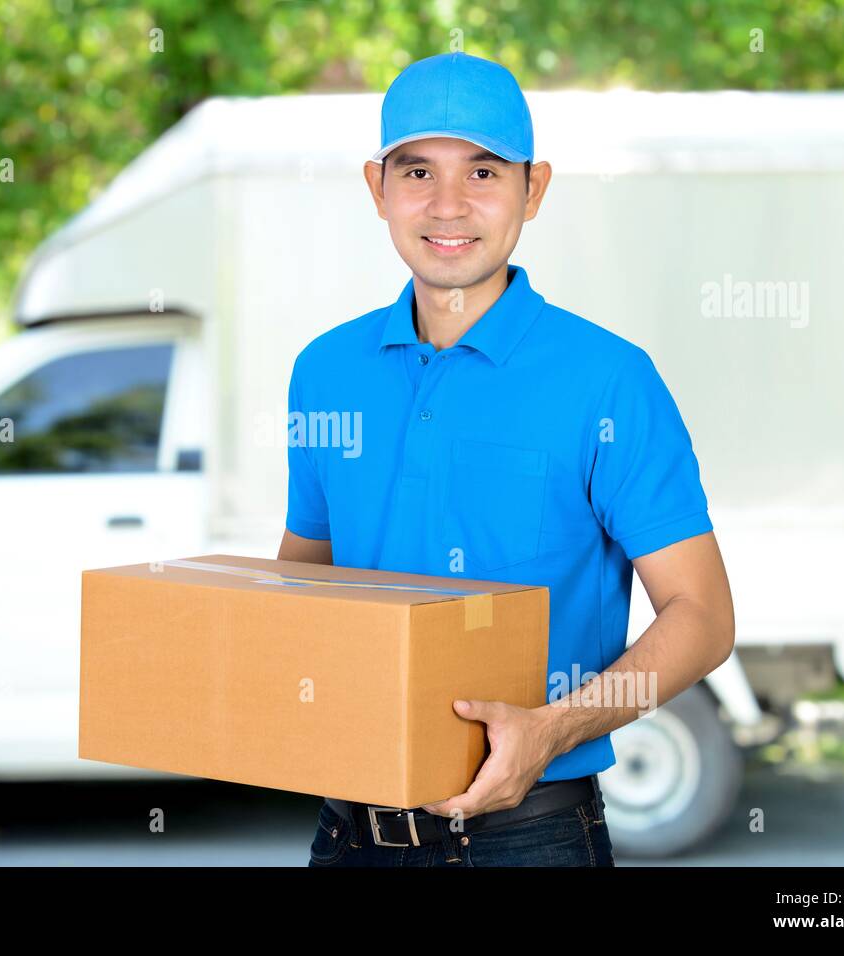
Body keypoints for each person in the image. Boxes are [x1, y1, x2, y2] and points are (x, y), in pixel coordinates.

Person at [279, 51, 735, 867]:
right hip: (347, 833)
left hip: (530, 837)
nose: (448, 204)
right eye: (417, 170)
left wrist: (552, 730)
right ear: (376, 187)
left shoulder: (607, 380)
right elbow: (305, 576)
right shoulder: (324, 371)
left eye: (483, 171)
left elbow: (702, 619)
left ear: (536, 187)